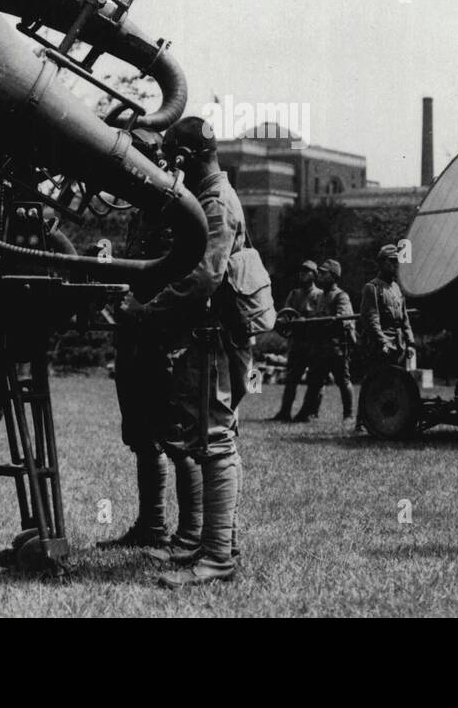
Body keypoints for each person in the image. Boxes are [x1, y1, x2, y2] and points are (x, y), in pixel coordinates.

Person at [122, 116, 273, 588]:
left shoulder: (214, 204)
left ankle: (218, 559)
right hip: (204, 336)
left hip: (210, 339)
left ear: (184, 158)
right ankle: (208, 546)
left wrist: (145, 311)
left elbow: (203, 279)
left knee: (215, 443)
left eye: (172, 156)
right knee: (205, 440)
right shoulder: (208, 199)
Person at [98, 139, 178, 551]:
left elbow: (176, 275)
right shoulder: (142, 214)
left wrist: (140, 305)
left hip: (157, 336)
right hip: (132, 335)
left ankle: (173, 532)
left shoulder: (174, 210)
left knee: (168, 435)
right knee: (141, 436)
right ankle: (152, 527)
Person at [353, 244, 416, 432]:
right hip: (380, 345)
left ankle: (396, 422)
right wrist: (382, 342)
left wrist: (410, 342)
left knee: (398, 384)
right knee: (373, 382)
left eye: (397, 262)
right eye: (392, 262)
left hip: (398, 344)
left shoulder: (397, 288)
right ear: (381, 263)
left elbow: (405, 319)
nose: (396, 265)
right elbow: (371, 319)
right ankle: (363, 421)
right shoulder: (371, 288)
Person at [294, 260, 356, 423]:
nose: (320, 275)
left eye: (324, 273)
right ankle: (307, 412)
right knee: (314, 381)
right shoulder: (321, 296)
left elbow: (344, 319)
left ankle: (348, 415)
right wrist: (305, 319)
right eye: (320, 272)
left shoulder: (341, 296)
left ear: (334, 276)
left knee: (343, 381)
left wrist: (326, 321)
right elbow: (314, 316)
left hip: (336, 347)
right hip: (320, 347)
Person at [270, 260, 322, 422]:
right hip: (296, 343)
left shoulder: (319, 295)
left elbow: (320, 316)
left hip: (313, 343)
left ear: (315, 275)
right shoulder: (294, 294)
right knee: (291, 379)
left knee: (314, 380)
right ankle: (285, 412)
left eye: (307, 271)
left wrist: (305, 319)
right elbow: (285, 314)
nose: (303, 274)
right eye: (301, 271)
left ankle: (309, 412)